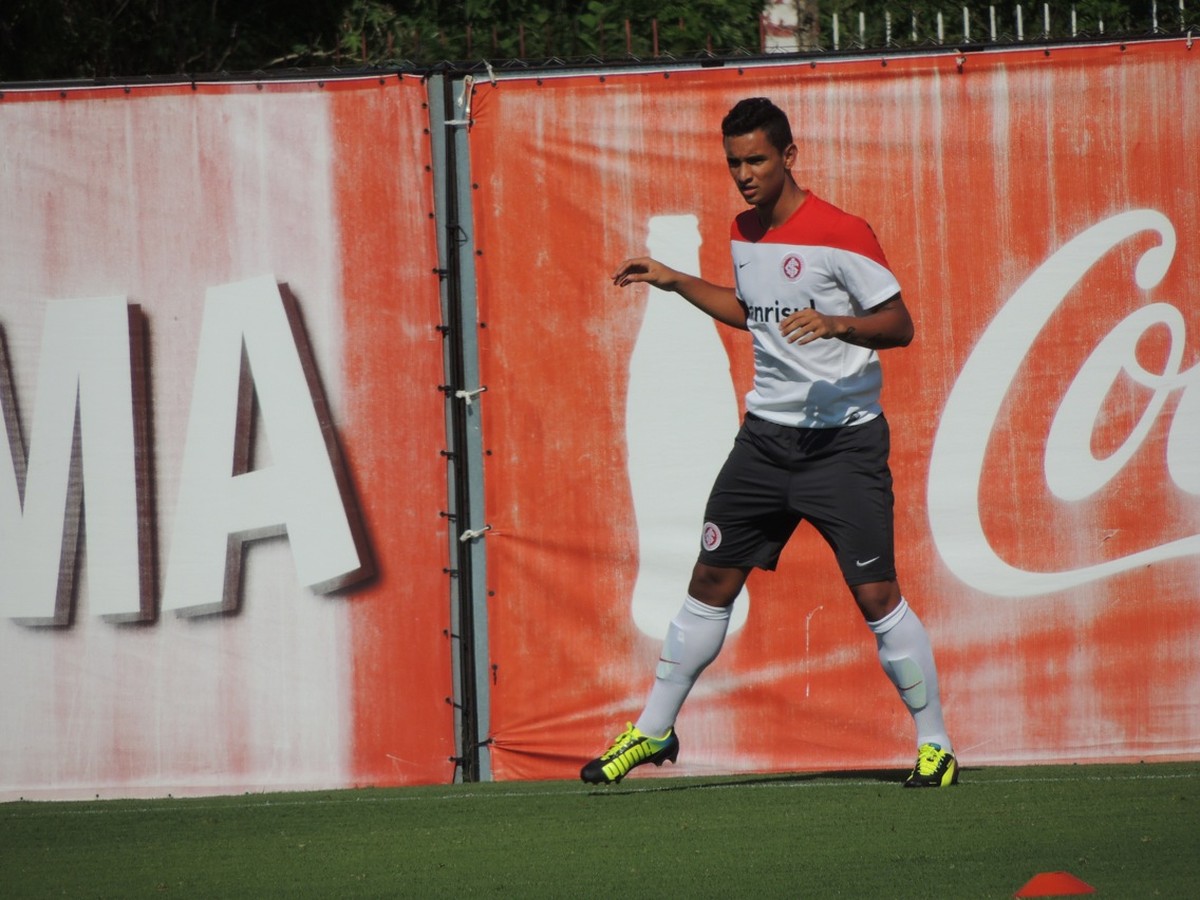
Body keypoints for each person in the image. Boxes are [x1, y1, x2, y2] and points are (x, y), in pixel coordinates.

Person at [581, 97, 957, 788]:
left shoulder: (843, 232)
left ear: (789, 156)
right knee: (709, 579)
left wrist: (842, 325)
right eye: (734, 163)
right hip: (763, 446)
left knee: (877, 596)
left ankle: (934, 744)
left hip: (842, 448)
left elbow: (899, 325)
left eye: (755, 160)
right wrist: (676, 281)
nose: (744, 175)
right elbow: (751, 312)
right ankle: (652, 731)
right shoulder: (744, 231)